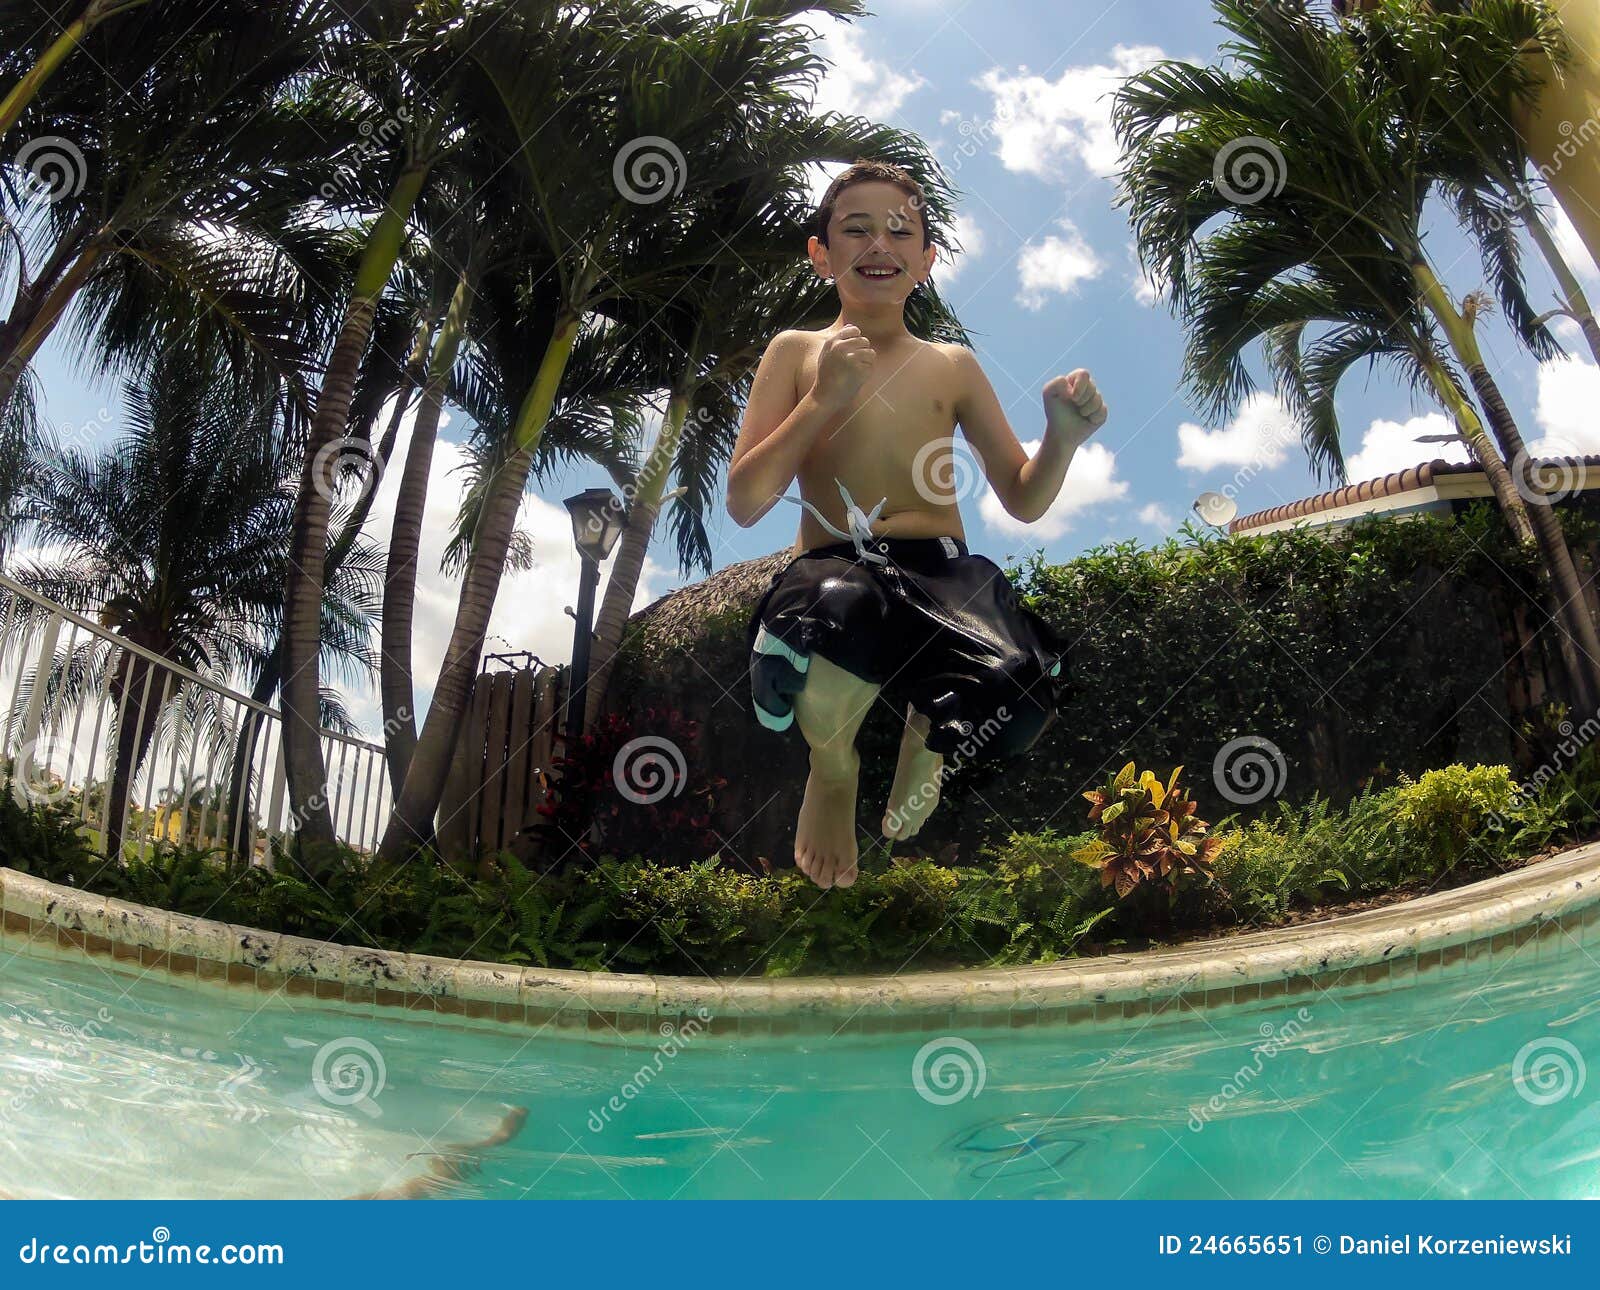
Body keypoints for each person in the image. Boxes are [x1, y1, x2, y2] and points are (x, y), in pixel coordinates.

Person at [725, 159, 1108, 891]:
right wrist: (822, 399)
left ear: (926, 261)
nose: (880, 244)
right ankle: (833, 768)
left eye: (901, 231)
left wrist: (1061, 438)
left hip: (943, 571)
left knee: (1020, 685)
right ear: (822, 255)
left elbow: (1023, 497)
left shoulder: (951, 365)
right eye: (857, 229)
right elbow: (746, 501)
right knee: (828, 621)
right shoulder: (796, 352)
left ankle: (927, 741)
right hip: (837, 565)